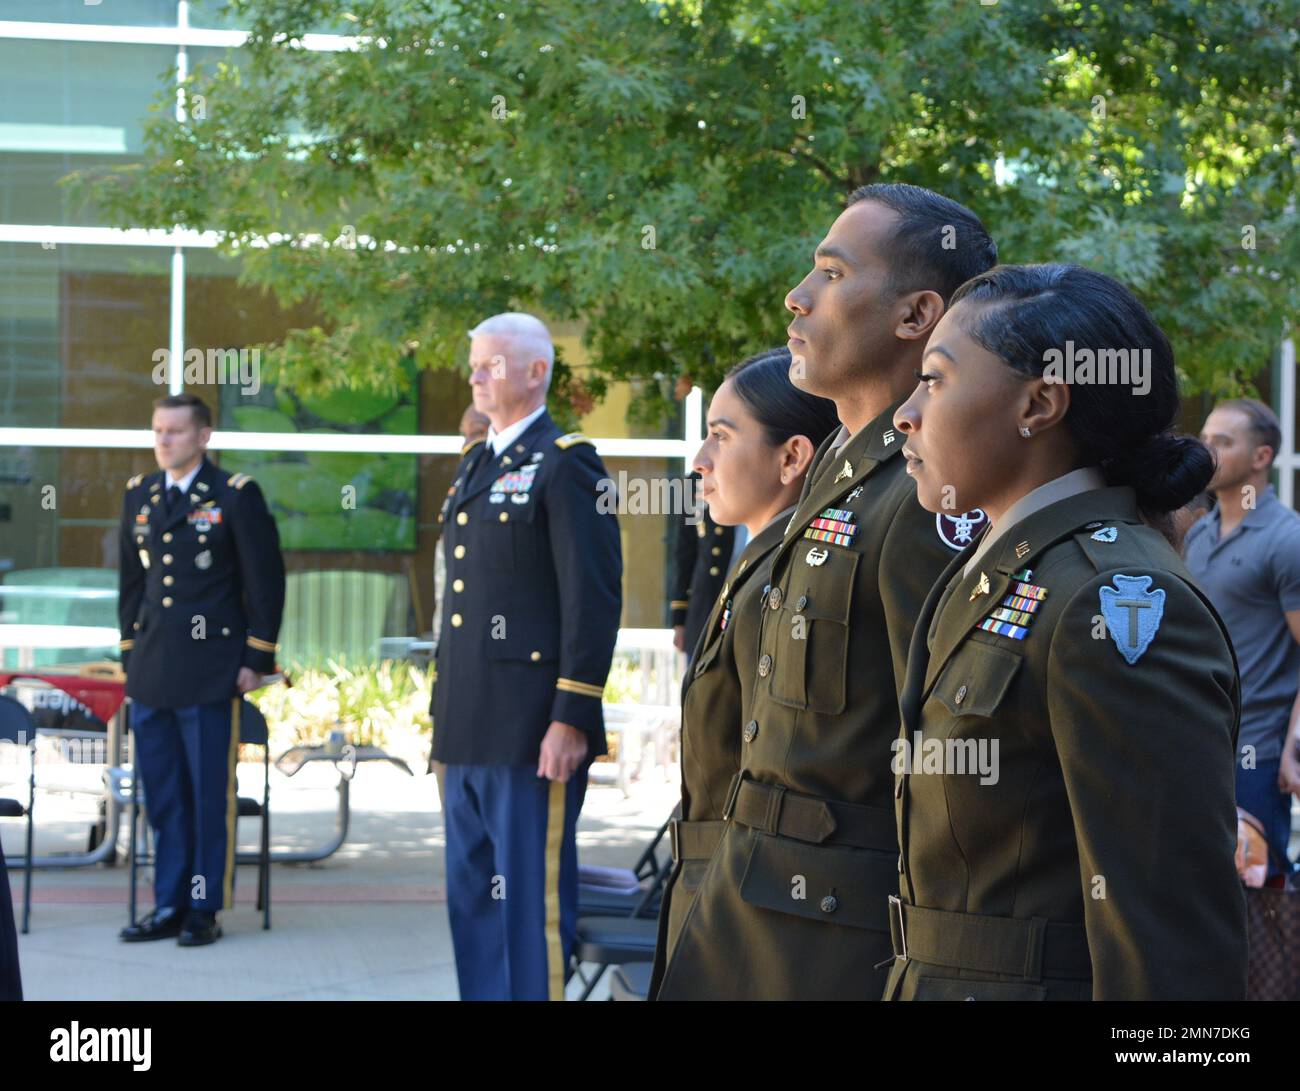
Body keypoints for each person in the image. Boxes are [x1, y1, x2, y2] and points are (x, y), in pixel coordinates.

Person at [656, 183, 998, 1000]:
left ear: (916, 316)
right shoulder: (836, 478)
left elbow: (948, 773)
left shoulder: (925, 497)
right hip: (753, 911)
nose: (797, 296)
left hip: (834, 946)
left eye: (833, 274)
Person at [887, 263, 1246, 1000]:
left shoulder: (1113, 598)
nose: (906, 412)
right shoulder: (997, 572)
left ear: (1041, 402)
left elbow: (1170, 939)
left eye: (937, 379)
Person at [432, 312, 622, 1000]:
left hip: (529, 731)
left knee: (527, 913)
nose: (476, 375)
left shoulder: (567, 461)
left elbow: (592, 598)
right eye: (474, 363)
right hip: (465, 728)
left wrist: (571, 716)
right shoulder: (478, 462)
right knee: (472, 901)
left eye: (492, 363)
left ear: (536, 371)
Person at [649, 347, 839, 996]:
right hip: (717, 892)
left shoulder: (783, 581)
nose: (699, 461)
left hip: (741, 911)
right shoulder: (760, 567)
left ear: (792, 458)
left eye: (721, 438)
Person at [117, 393, 285, 947]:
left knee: (210, 795)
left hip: (212, 669)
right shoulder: (140, 494)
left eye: (176, 431)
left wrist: (256, 658)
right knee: (163, 797)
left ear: (204, 437)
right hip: (153, 671)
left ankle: (202, 907)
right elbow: (131, 584)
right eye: (158, 430)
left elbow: (265, 582)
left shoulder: (235, 496)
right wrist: (127, 653)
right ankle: (168, 901)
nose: (164, 441)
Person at [1188, 398, 1300, 880]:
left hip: (1258, 752)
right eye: (1205, 439)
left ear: (1261, 457)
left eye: (1223, 442)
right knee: (1201, 897)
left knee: (1256, 902)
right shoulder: (1196, 534)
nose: (1207, 452)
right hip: (1198, 747)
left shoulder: (1286, 539)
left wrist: (1296, 742)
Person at [669, 478, 737, 661]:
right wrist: (679, 618)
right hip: (704, 610)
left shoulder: (750, 474)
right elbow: (684, 556)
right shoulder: (695, 483)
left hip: (745, 605)